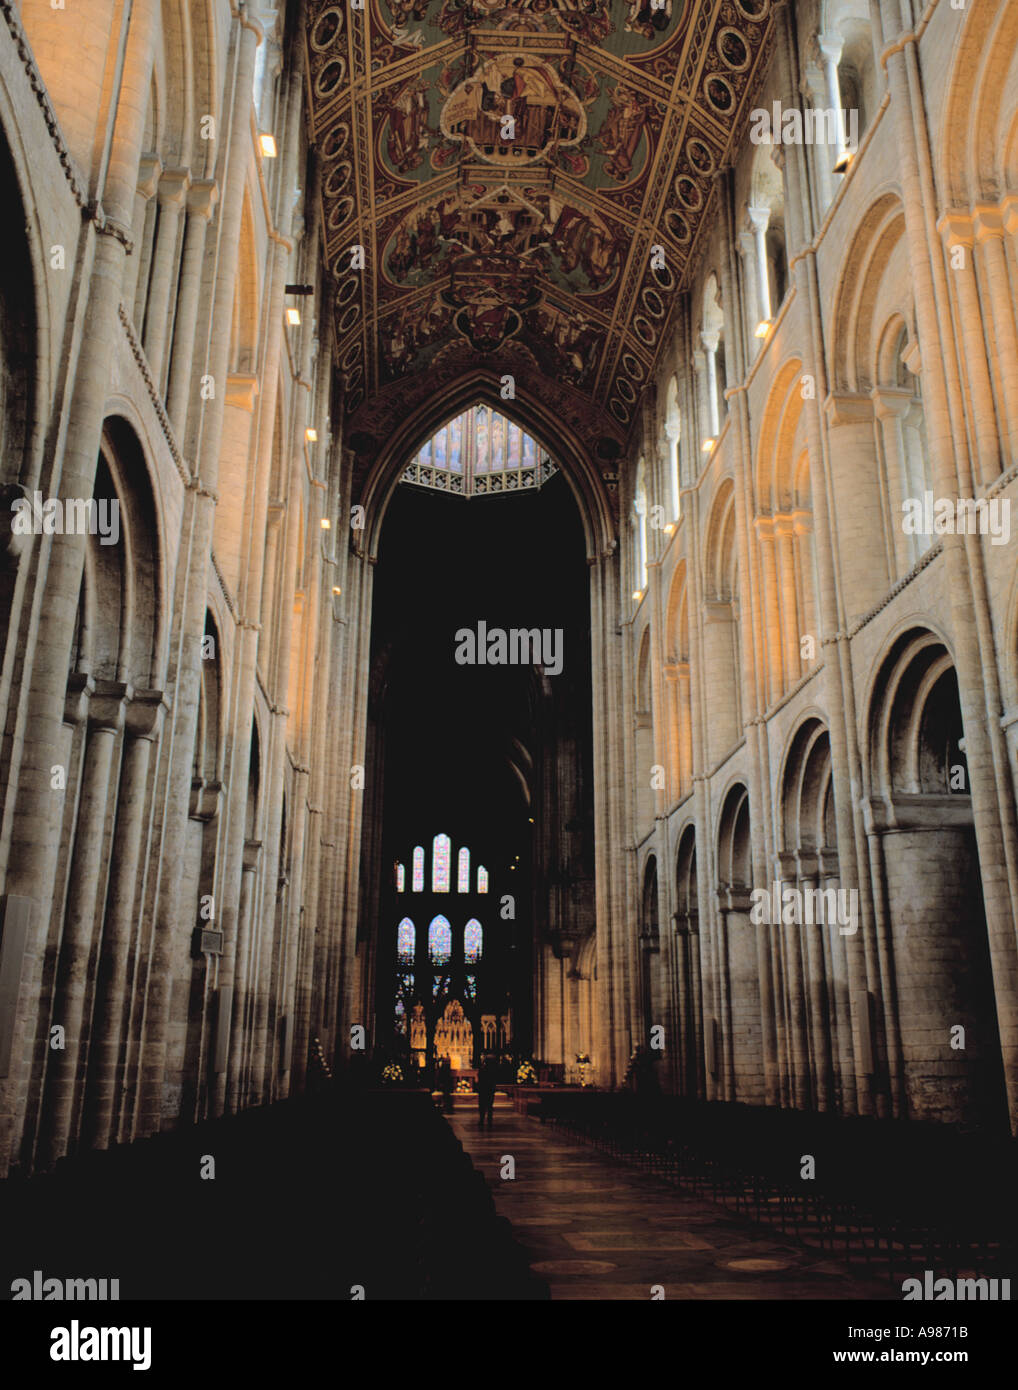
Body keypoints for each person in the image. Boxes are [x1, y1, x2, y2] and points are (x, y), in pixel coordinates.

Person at [477, 1055, 497, 1129]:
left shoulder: (483, 1069)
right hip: (490, 1090)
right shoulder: (494, 1070)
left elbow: (479, 1078)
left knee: (482, 1106)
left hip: (483, 1090)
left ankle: (481, 1120)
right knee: (489, 1106)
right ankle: (489, 1121)